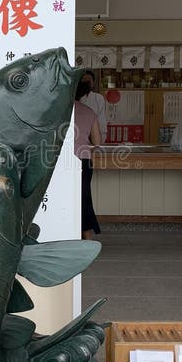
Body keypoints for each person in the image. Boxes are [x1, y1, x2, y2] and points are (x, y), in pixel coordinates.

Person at [74, 79, 102, 240]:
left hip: (57, 161)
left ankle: (63, 230)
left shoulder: (56, 112)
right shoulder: (89, 112)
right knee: (83, 197)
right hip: (83, 159)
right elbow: (97, 143)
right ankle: (87, 234)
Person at [79, 69, 107, 143]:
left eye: (89, 80)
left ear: (93, 82)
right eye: (84, 79)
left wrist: (100, 140)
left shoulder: (98, 98)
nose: (87, 82)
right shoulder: (75, 98)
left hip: (94, 137)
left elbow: (101, 122)